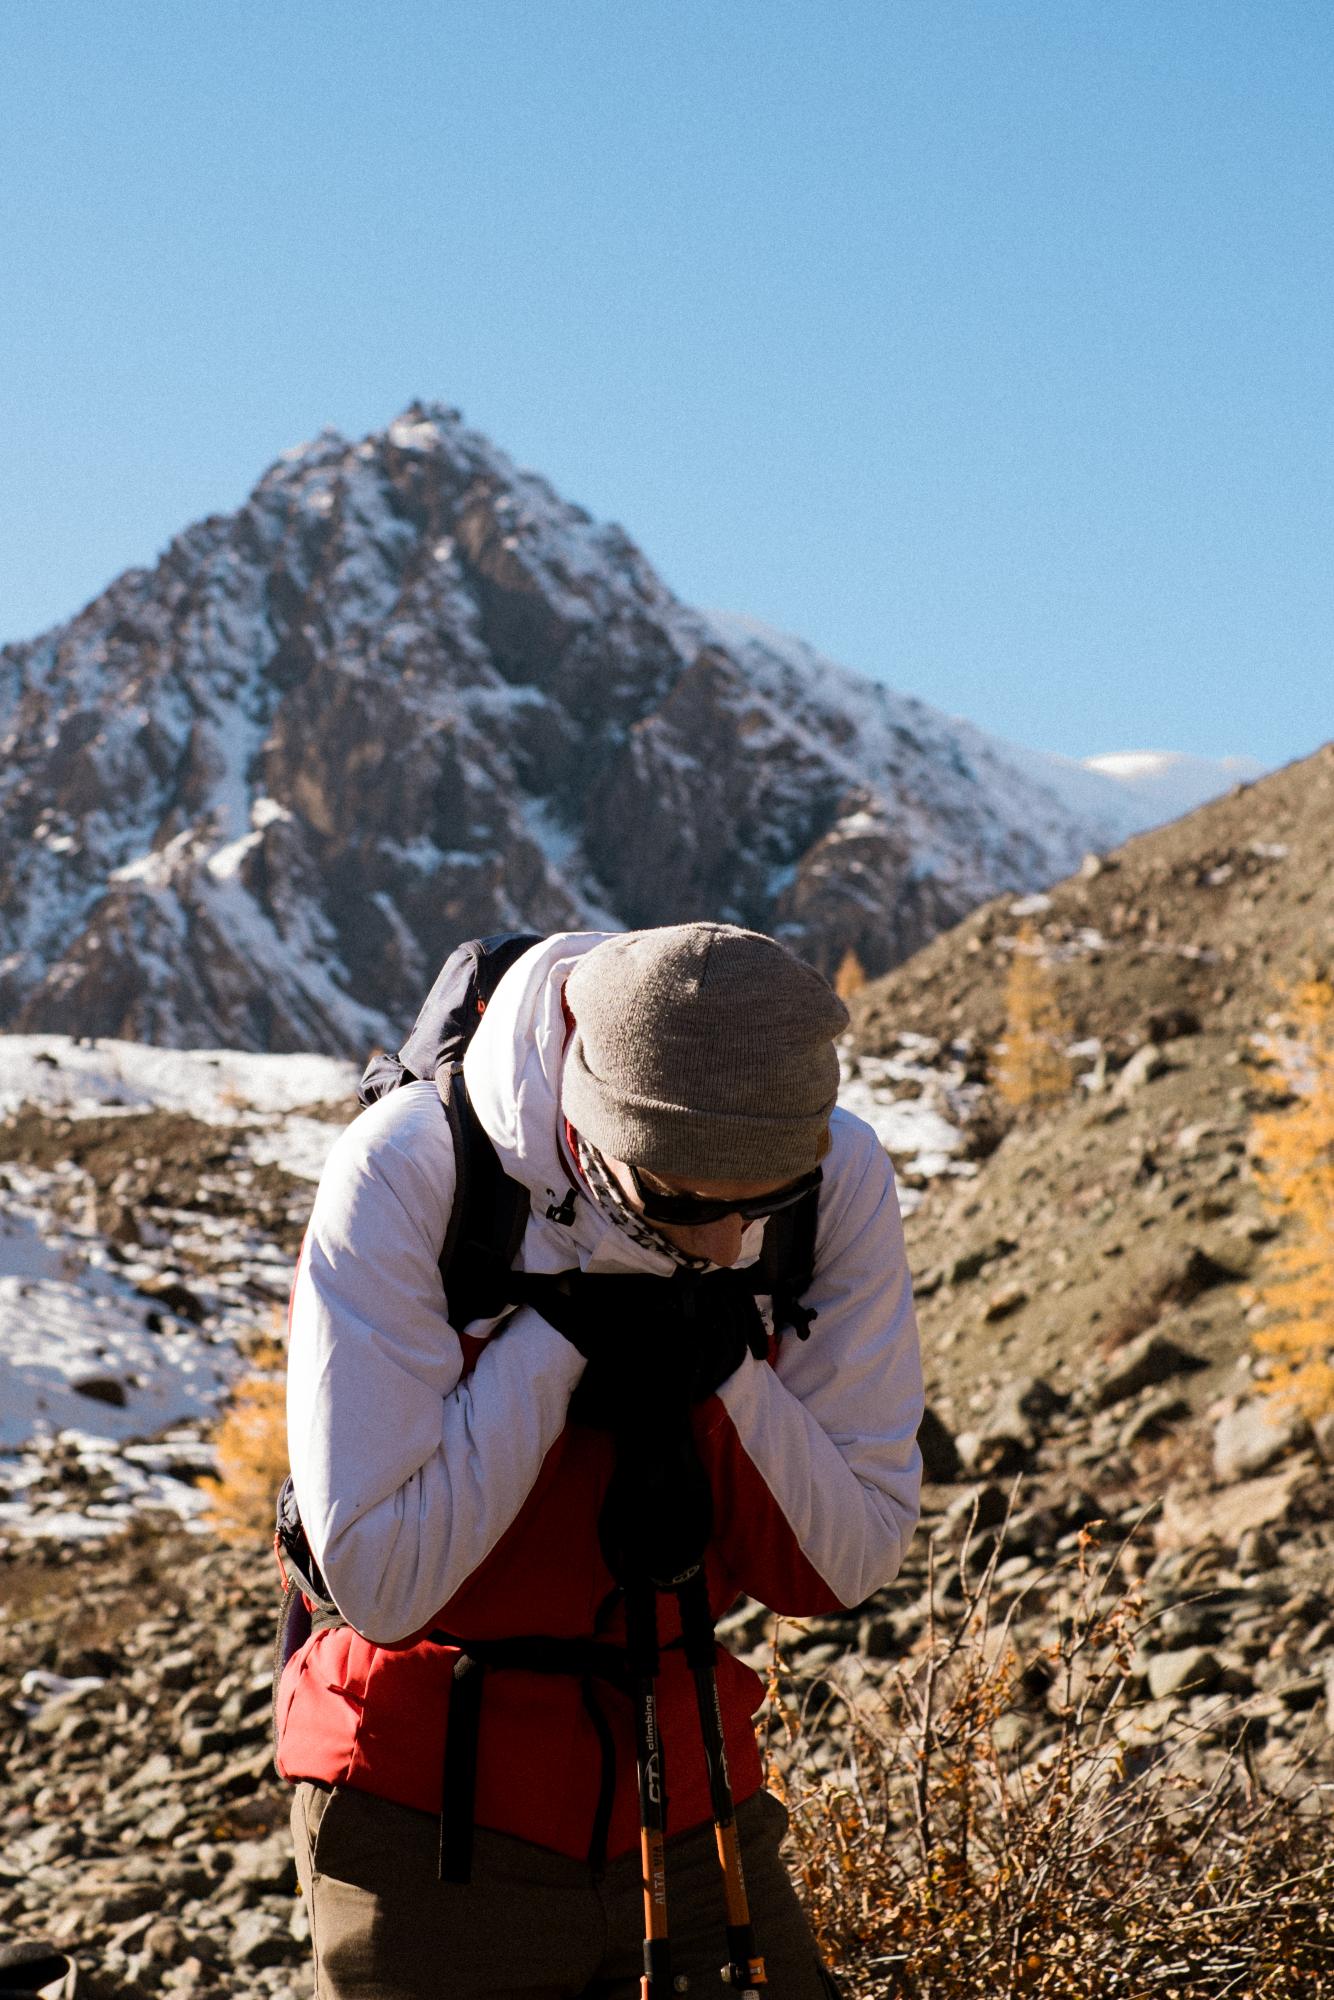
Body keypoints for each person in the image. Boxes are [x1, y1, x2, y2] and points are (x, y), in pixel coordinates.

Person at [279, 923, 923, 1999]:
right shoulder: (408, 1170)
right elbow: (382, 1584)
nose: (724, 1248)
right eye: (678, 1201)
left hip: (694, 1790)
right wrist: (563, 1333)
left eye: (763, 1203)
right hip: (421, 1808)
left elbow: (846, 1559)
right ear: (583, 1128)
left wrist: (720, 1364)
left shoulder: (838, 1173)